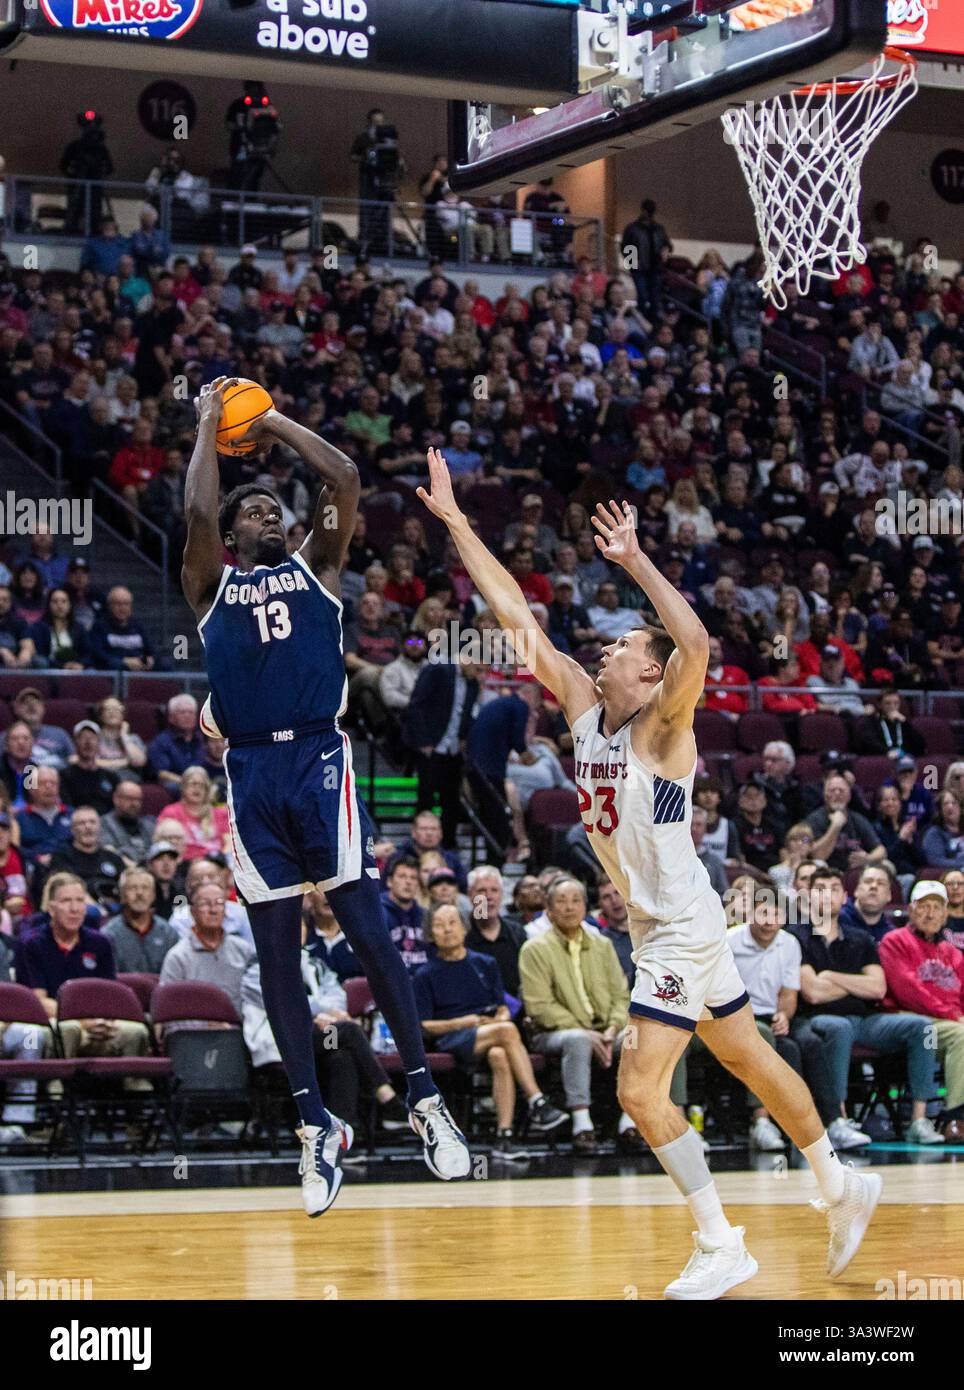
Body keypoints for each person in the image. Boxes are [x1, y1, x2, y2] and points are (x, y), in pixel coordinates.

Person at [419, 454, 881, 1297]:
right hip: (668, 922)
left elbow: (696, 642)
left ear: (652, 672)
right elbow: (516, 617)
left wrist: (634, 560)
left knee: (637, 1087)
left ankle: (720, 1242)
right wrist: (455, 522)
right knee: (746, 1056)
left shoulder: (667, 729)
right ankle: (841, 1185)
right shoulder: (584, 710)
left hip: (678, 927)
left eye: (626, 645)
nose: (607, 648)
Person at [181, 378, 469, 1215]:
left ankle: (423, 1099)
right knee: (274, 955)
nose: (268, 516)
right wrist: (209, 424)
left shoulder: (319, 569)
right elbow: (198, 518)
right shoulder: (212, 589)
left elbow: (341, 477)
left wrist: (267, 421)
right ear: (235, 534)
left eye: (277, 509)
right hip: (252, 775)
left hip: (318, 759)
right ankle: (314, 1129)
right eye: (255, 512)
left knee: (372, 932)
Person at [790, 867, 942, 1148]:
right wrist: (854, 983)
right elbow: (812, 993)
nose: (827, 896)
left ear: (844, 897)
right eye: (820, 889)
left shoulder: (860, 938)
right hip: (818, 1020)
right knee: (841, 1027)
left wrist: (831, 978)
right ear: (808, 896)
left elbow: (878, 987)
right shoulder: (795, 937)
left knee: (923, 1027)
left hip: (866, 1020)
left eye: (834, 889)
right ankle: (839, 1119)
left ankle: (920, 1120)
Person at [416, 902, 565, 1160]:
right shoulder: (424, 973)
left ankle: (504, 1136)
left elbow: (502, 1008)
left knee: (499, 1054)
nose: (447, 930)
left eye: (453, 923)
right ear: (431, 933)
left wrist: (499, 1017)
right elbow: (424, 1025)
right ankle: (537, 1101)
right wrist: (468, 1022)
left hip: (491, 1033)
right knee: (506, 1032)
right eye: (439, 925)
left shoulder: (485, 963)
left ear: (464, 928)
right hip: (451, 1037)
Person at [518, 877, 641, 1153]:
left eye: (576, 901)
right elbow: (539, 1007)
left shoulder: (603, 945)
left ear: (586, 908)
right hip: (552, 1033)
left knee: (636, 1037)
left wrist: (611, 1029)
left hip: (604, 1030)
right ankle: (582, 1125)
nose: (569, 907)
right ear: (548, 911)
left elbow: (622, 996)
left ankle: (630, 1120)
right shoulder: (534, 949)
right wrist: (587, 1033)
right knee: (578, 1040)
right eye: (561, 901)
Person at [879, 880, 964, 1141]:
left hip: (951, 1022)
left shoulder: (953, 953)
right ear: (911, 910)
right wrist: (955, 1017)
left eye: (937, 907)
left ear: (946, 913)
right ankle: (955, 1120)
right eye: (924, 906)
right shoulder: (894, 941)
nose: (930, 913)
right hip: (911, 1021)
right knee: (962, 1037)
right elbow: (909, 992)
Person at [102, 866, 179, 974]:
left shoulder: (168, 933)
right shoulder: (108, 935)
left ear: (153, 896)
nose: (139, 893)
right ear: (122, 896)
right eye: (133, 888)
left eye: (145, 888)